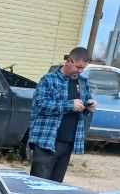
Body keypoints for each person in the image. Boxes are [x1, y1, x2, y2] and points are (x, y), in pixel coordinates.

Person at [28, 47, 96, 183]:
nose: (80, 71)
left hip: (68, 144)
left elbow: (85, 104)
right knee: (38, 188)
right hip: (46, 143)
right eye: (78, 67)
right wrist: (69, 105)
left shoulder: (82, 83)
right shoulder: (48, 80)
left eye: (83, 68)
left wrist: (89, 106)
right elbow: (40, 105)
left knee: (56, 189)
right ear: (69, 61)